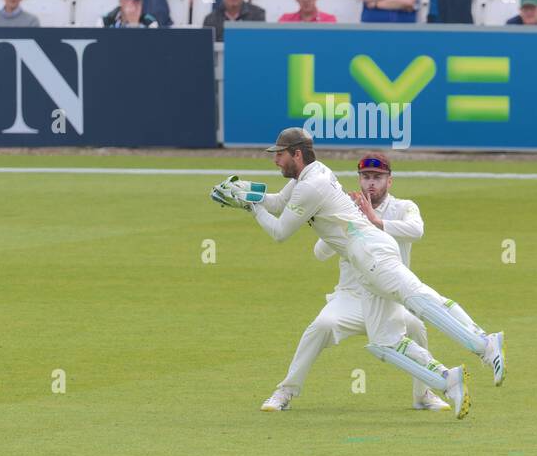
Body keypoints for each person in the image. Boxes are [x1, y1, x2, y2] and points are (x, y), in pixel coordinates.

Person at [212, 128, 506, 419]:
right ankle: (447, 380)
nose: (276, 161)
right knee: (384, 343)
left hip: (370, 249)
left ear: (297, 154)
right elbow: (277, 203)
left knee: (418, 299)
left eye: (280, 155)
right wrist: (248, 191)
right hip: (362, 261)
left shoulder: (311, 186)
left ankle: (484, 344)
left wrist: (251, 208)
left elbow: (279, 232)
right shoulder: (311, 175)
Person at [260, 153, 450, 413]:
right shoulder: (345, 210)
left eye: (378, 178)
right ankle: (285, 392)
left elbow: (417, 231)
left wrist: (375, 223)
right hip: (351, 297)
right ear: (359, 179)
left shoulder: (404, 207)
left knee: (416, 325)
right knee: (321, 326)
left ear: (389, 181)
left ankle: (423, 394)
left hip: (389, 298)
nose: (371, 183)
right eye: (366, 177)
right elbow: (320, 253)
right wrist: (335, 222)